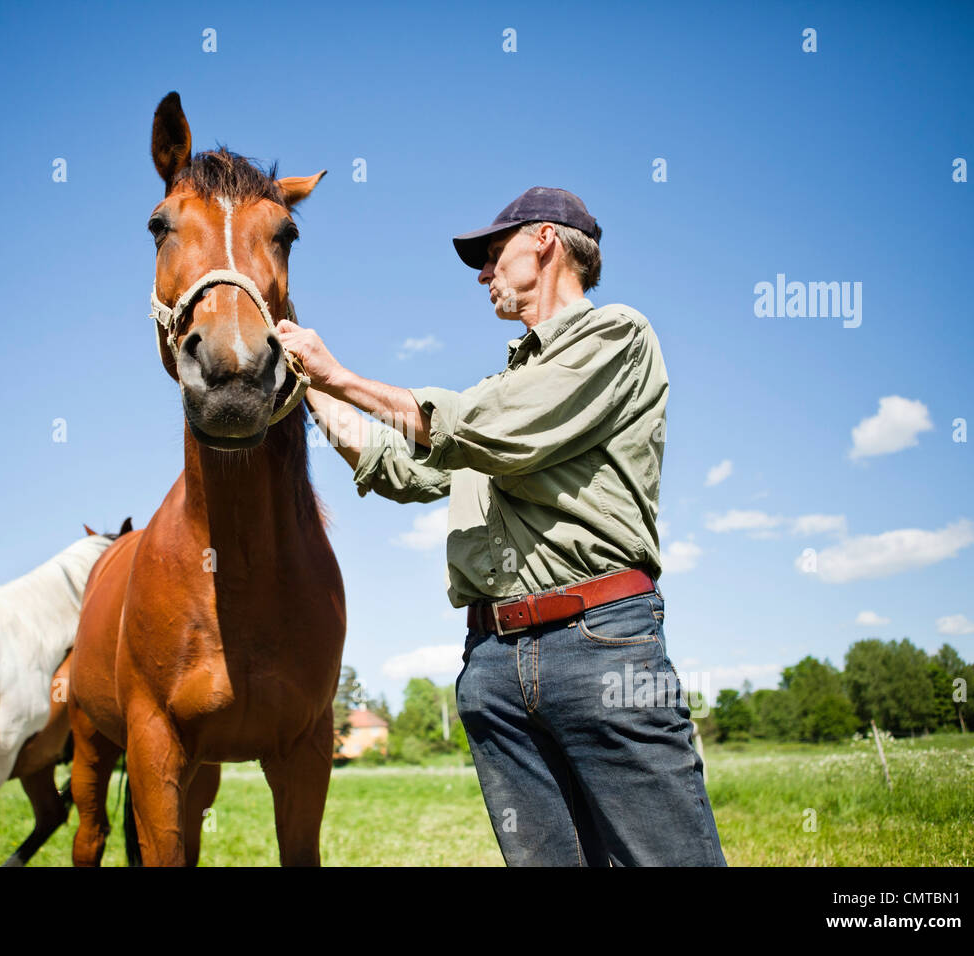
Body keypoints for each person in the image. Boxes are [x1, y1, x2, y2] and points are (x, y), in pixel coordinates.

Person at [276, 186, 725, 867]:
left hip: (599, 648)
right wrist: (306, 382)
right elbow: (395, 465)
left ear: (544, 239)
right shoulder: (499, 391)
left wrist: (337, 373)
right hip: (491, 667)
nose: (483, 275)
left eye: (492, 254)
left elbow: (485, 429)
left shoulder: (616, 337)